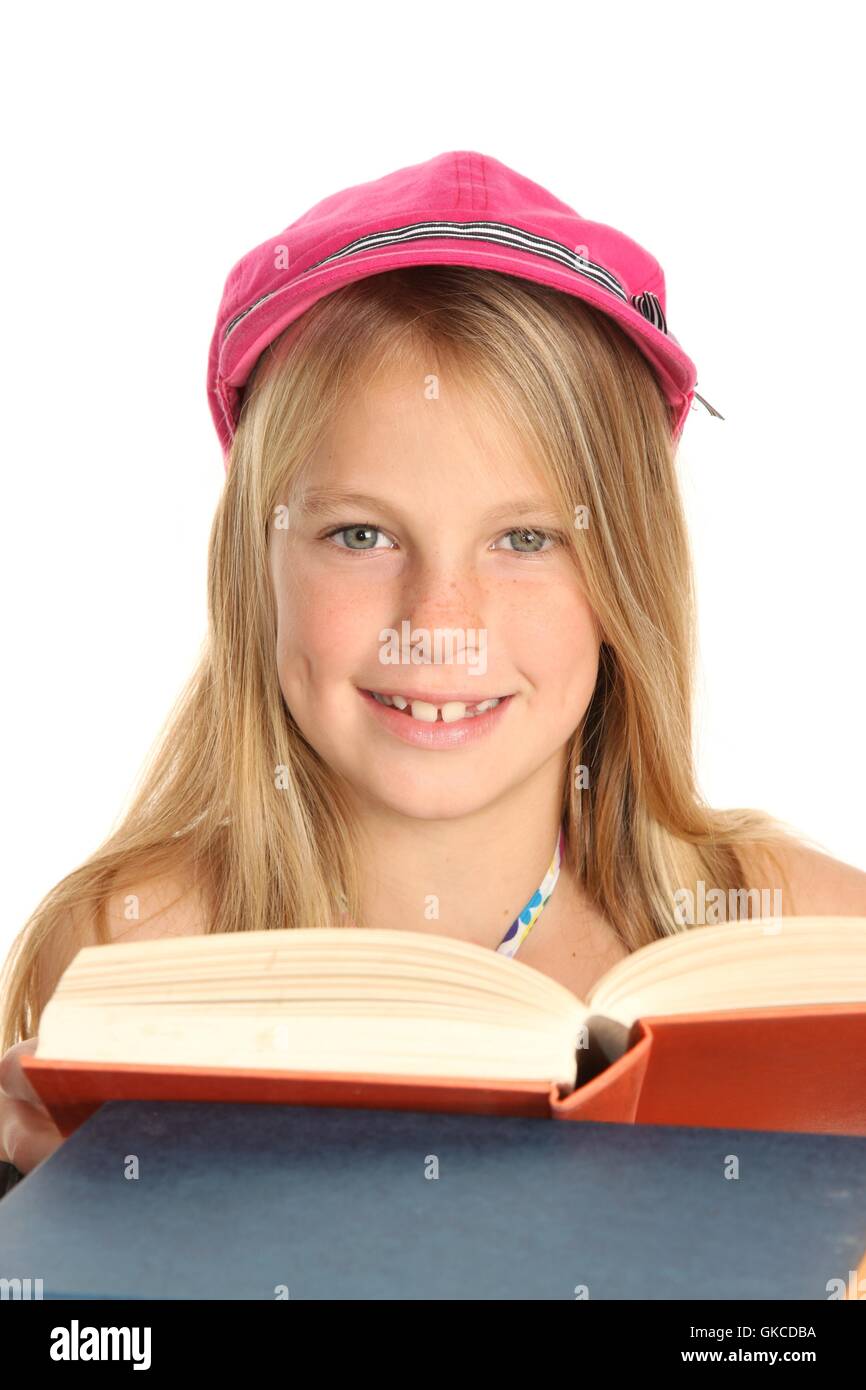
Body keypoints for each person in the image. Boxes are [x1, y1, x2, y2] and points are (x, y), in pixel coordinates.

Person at [3, 151, 864, 1188]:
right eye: (361, 535)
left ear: (624, 571)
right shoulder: (123, 959)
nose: (438, 623)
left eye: (526, 539)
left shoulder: (812, 947)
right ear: (256, 564)